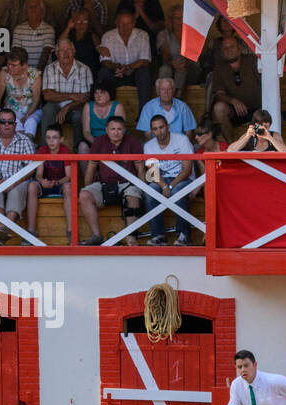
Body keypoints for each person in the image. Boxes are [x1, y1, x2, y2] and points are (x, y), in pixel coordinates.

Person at [78, 114, 144, 244]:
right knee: (84, 195)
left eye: (119, 129)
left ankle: (131, 236)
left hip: (127, 184)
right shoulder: (99, 142)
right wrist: (86, 187)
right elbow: (91, 167)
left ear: (124, 130)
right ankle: (96, 236)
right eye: (113, 129)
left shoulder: (133, 141)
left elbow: (140, 168)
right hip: (105, 184)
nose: (116, 132)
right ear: (107, 130)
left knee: (133, 194)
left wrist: (143, 189)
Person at [0, 108, 37, 245]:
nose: (6, 125)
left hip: (17, 181)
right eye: (3, 121)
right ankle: (3, 231)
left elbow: (30, 168)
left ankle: (1, 232)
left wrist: (15, 181)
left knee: (17, 193)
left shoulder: (24, 141)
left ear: (15, 125)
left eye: (10, 122)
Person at [142, 113, 194, 245]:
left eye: (161, 127)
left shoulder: (182, 140)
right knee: (150, 191)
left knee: (178, 191)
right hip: (162, 180)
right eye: (155, 129)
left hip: (182, 178)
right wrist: (164, 185)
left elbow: (187, 170)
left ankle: (183, 235)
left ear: (168, 126)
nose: (159, 132)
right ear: (151, 131)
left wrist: (170, 186)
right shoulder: (148, 146)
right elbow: (153, 172)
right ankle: (158, 236)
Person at [98, 8, 153, 109]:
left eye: (128, 23)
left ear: (134, 23)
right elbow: (105, 62)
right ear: (116, 23)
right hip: (116, 74)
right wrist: (117, 66)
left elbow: (144, 61)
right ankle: (106, 110)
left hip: (134, 75)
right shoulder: (108, 36)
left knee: (143, 72)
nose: (125, 27)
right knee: (104, 72)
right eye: (122, 23)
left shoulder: (142, 35)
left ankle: (144, 111)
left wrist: (127, 67)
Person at [208, 35, 258, 140]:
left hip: (256, 108)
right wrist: (233, 101)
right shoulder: (220, 67)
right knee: (219, 108)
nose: (228, 50)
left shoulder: (252, 61)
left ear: (239, 48)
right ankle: (231, 147)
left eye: (232, 47)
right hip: (235, 112)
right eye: (225, 48)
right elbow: (219, 94)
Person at [41, 39, 94, 137]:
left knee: (79, 115)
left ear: (74, 52)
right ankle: (46, 150)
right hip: (55, 106)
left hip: (75, 107)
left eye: (69, 50)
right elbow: (47, 96)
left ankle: (78, 149)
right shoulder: (50, 69)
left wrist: (67, 107)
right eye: (62, 50)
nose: (66, 53)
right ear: (57, 53)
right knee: (48, 109)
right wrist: (72, 95)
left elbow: (86, 97)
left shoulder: (84, 69)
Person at [27, 124, 73, 237]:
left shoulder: (65, 151)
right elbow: (38, 174)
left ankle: (71, 230)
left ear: (61, 139)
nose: (51, 141)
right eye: (48, 137)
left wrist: (57, 183)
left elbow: (68, 176)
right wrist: (42, 181)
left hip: (60, 184)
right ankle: (31, 231)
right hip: (45, 184)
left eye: (55, 137)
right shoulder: (43, 150)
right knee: (32, 186)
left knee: (68, 187)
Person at [0, 48, 43, 138]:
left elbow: (36, 101)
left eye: (14, 65)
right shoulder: (4, 73)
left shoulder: (34, 75)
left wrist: (26, 116)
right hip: (10, 110)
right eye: (8, 64)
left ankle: (28, 145)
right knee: (13, 121)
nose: (10, 67)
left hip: (32, 111)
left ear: (24, 65)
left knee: (30, 122)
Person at [157, 3, 201, 94]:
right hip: (171, 66)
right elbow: (165, 53)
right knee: (164, 70)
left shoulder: (193, 34)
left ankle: (177, 97)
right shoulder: (163, 34)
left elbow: (193, 56)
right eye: (177, 18)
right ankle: (164, 97)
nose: (180, 21)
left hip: (191, 69)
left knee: (182, 70)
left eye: (183, 18)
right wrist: (172, 63)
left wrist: (185, 63)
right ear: (171, 19)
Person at [79, 82, 125, 151]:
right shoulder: (88, 106)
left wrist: (109, 144)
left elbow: (120, 129)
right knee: (82, 146)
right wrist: (98, 143)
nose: (98, 95)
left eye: (102, 92)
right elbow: (86, 132)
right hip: (94, 140)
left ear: (110, 94)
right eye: (96, 93)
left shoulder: (117, 106)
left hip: (114, 140)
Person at [13, 0, 57, 73]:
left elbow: (45, 54)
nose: (33, 9)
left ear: (41, 10)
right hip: (23, 72)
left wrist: (37, 73)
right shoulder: (18, 29)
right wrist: (25, 72)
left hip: (44, 72)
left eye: (36, 6)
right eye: (30, 7)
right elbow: (17, 53)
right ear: (25, 10)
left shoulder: (49, 29)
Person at [63, 8, 104, 76]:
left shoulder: (93, 37)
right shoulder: (69, 35)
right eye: (78, 21)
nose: (81, 25)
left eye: (85, 22)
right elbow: (60, 43)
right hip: (71, 72)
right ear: (73, 23)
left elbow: (101, 50)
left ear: (88, 23)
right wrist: (68, 27)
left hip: (89, 73)